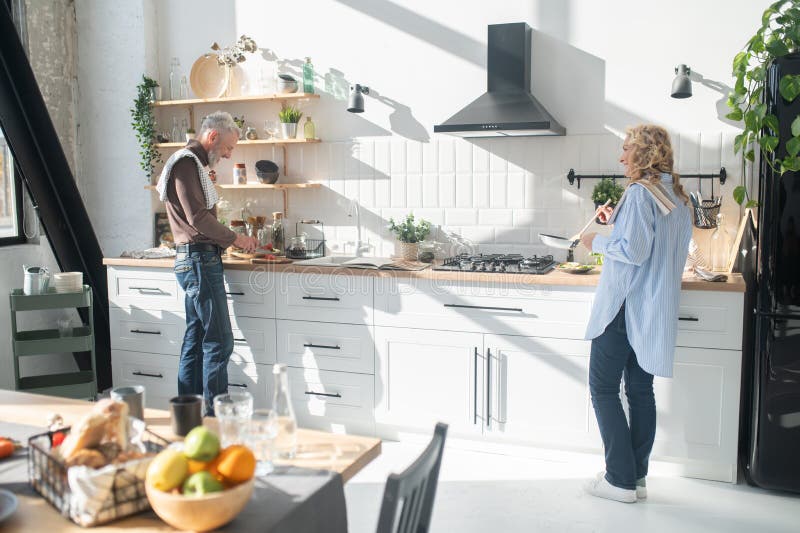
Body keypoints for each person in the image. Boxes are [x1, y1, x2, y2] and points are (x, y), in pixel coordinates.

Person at [579, 124, 692, 503]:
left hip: (624, 307)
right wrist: (615, 222)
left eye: (626, 148)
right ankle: (636, 477)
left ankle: (619, 481)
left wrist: (596, 240)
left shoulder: (641, 194)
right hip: (653, 311)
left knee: (603, 389)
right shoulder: (678, 195)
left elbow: (634, 252)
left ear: (642, 153)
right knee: (641, 391)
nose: (621, 156)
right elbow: (652, 245)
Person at [156, 111, 258, 415]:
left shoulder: (192, 164)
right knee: (220, 342)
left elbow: (199, 216)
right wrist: (235, 239)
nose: (228, 155)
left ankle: (188, 415)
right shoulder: (186, 163)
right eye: (227, 148)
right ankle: (215, 417)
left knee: (196, 338)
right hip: (198, 261)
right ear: (212, 136)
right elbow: (197, 218)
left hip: (195, 260)